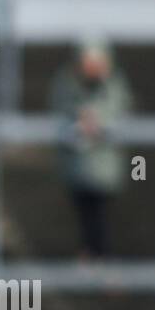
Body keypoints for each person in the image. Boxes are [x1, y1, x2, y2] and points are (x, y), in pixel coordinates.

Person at [50, 39, 133, 258]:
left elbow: (119, 109)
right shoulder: (68, 83)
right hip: (79, 168)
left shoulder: (113, 84)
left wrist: (96, 121)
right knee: (87, 213)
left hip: (103, 170)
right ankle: (93, 256)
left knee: (99, 215)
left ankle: (99, 258)